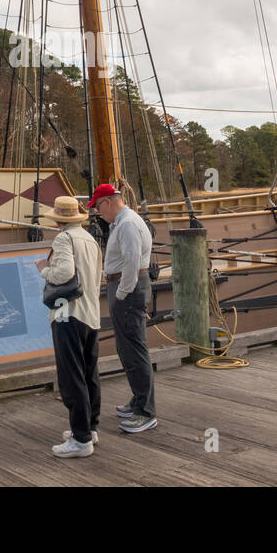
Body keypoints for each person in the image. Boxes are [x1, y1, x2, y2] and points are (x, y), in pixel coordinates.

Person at [35, 194, 102, 458]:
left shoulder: (64, 239)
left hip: (67, 314)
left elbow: (63, 274)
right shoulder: (89, 239)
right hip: (90, 314)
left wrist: (43, 268)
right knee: (89, 373)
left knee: (71, 375)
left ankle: (80, 439)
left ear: (58, 219)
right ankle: (90, 427)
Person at [87, 182, 156, 433]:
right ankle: (139, 400)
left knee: (134, 350)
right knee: (127, 348)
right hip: (125, 288)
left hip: (127, 289)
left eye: (97, 207)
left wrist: (122, 293)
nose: (97, 212)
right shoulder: (123, 221)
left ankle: (146, 412)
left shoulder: (126, 224)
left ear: (107, 202)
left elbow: (132, 263)